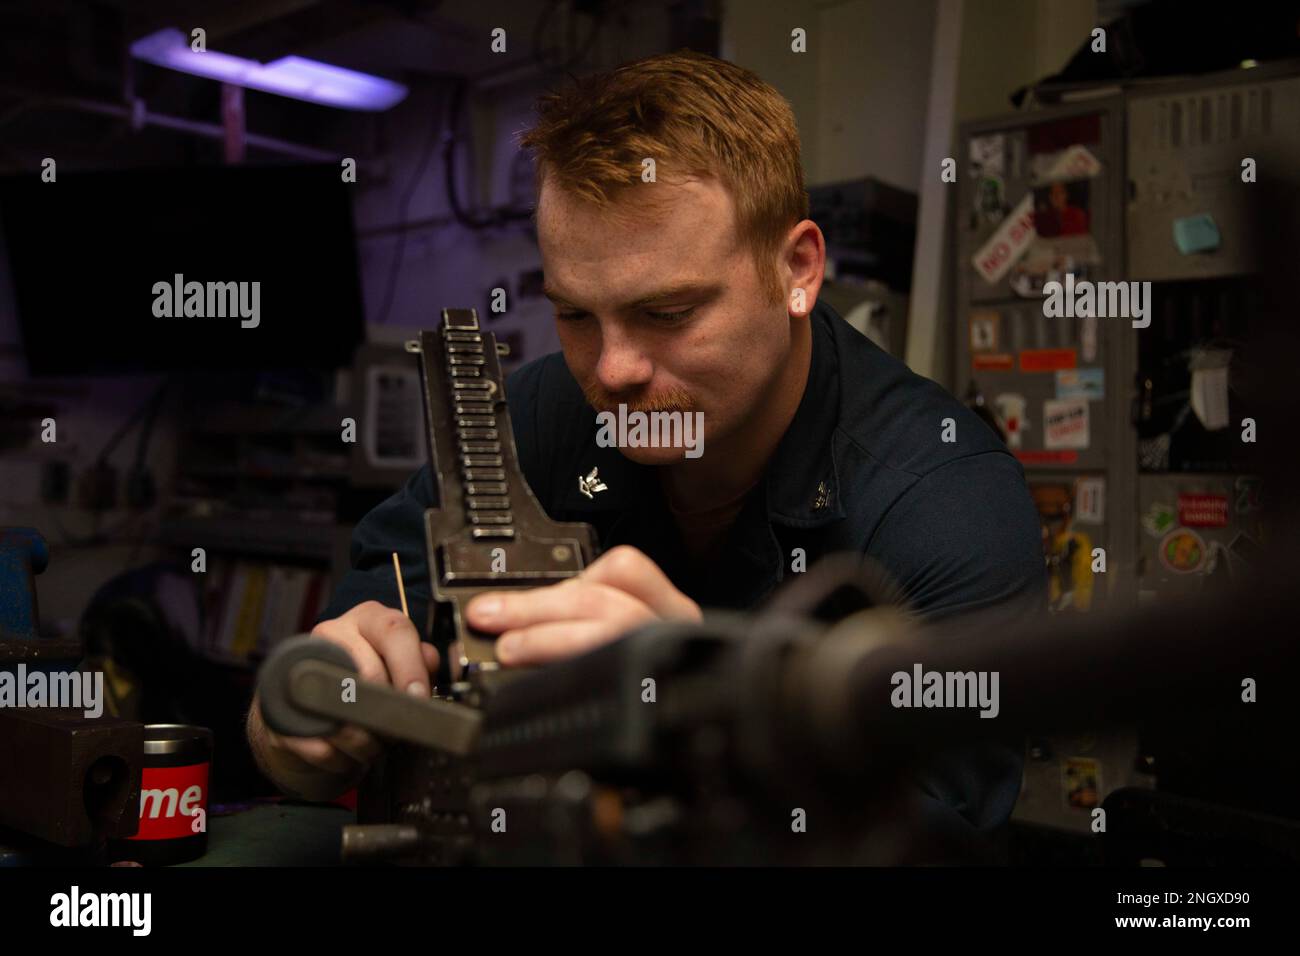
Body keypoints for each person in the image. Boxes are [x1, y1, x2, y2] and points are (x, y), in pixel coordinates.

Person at [247, 50, 1046, 860]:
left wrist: (725, 722)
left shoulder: (947, 501)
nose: (612, 373)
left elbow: (950, 848)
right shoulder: (540, 414)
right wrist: (297, 731)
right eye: (575, 316)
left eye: (667, 311)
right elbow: (316, 688)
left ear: (798, 269)